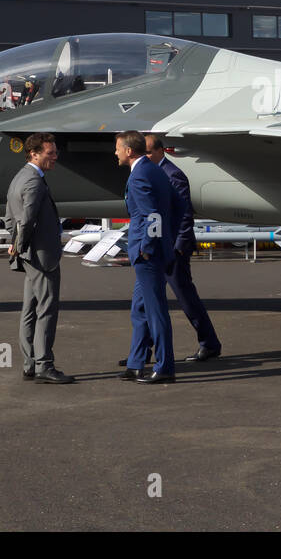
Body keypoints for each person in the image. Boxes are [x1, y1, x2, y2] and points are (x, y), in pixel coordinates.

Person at [146, 133, 222, 361]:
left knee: (186, 297)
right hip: (157, 246)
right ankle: (142, 351)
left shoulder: (173, 175)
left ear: (161, 151)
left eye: (149, 151)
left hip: (173, 249)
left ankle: (209, 343)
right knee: (147, 299)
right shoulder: (151, 173)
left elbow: (185, 214)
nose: (146, 156)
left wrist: (179, 247)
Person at [5, 132, 72, 384]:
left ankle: (30, 363)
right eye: (50, 153)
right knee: (46, 310)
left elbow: (9, 218)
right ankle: (45, 365)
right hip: (41, 257)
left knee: (29, 310)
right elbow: (27, 219)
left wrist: (16, 244)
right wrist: (20, 245)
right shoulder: (34, 181)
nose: (55, 157)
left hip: (30, 257)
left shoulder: (18, 178)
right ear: (34, 153)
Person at [114, 130, 180, 384]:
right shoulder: (155, 170)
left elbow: (152, 215)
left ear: (129, 151)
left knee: (155, 311)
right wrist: (168, 239)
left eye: (118, 148)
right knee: (139, 309)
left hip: (147, 255)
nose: (115, 153)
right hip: (155, 250)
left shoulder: (140, 174)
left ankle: (165, 367)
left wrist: (148, 247)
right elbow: (178, 206)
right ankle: (136, 362)